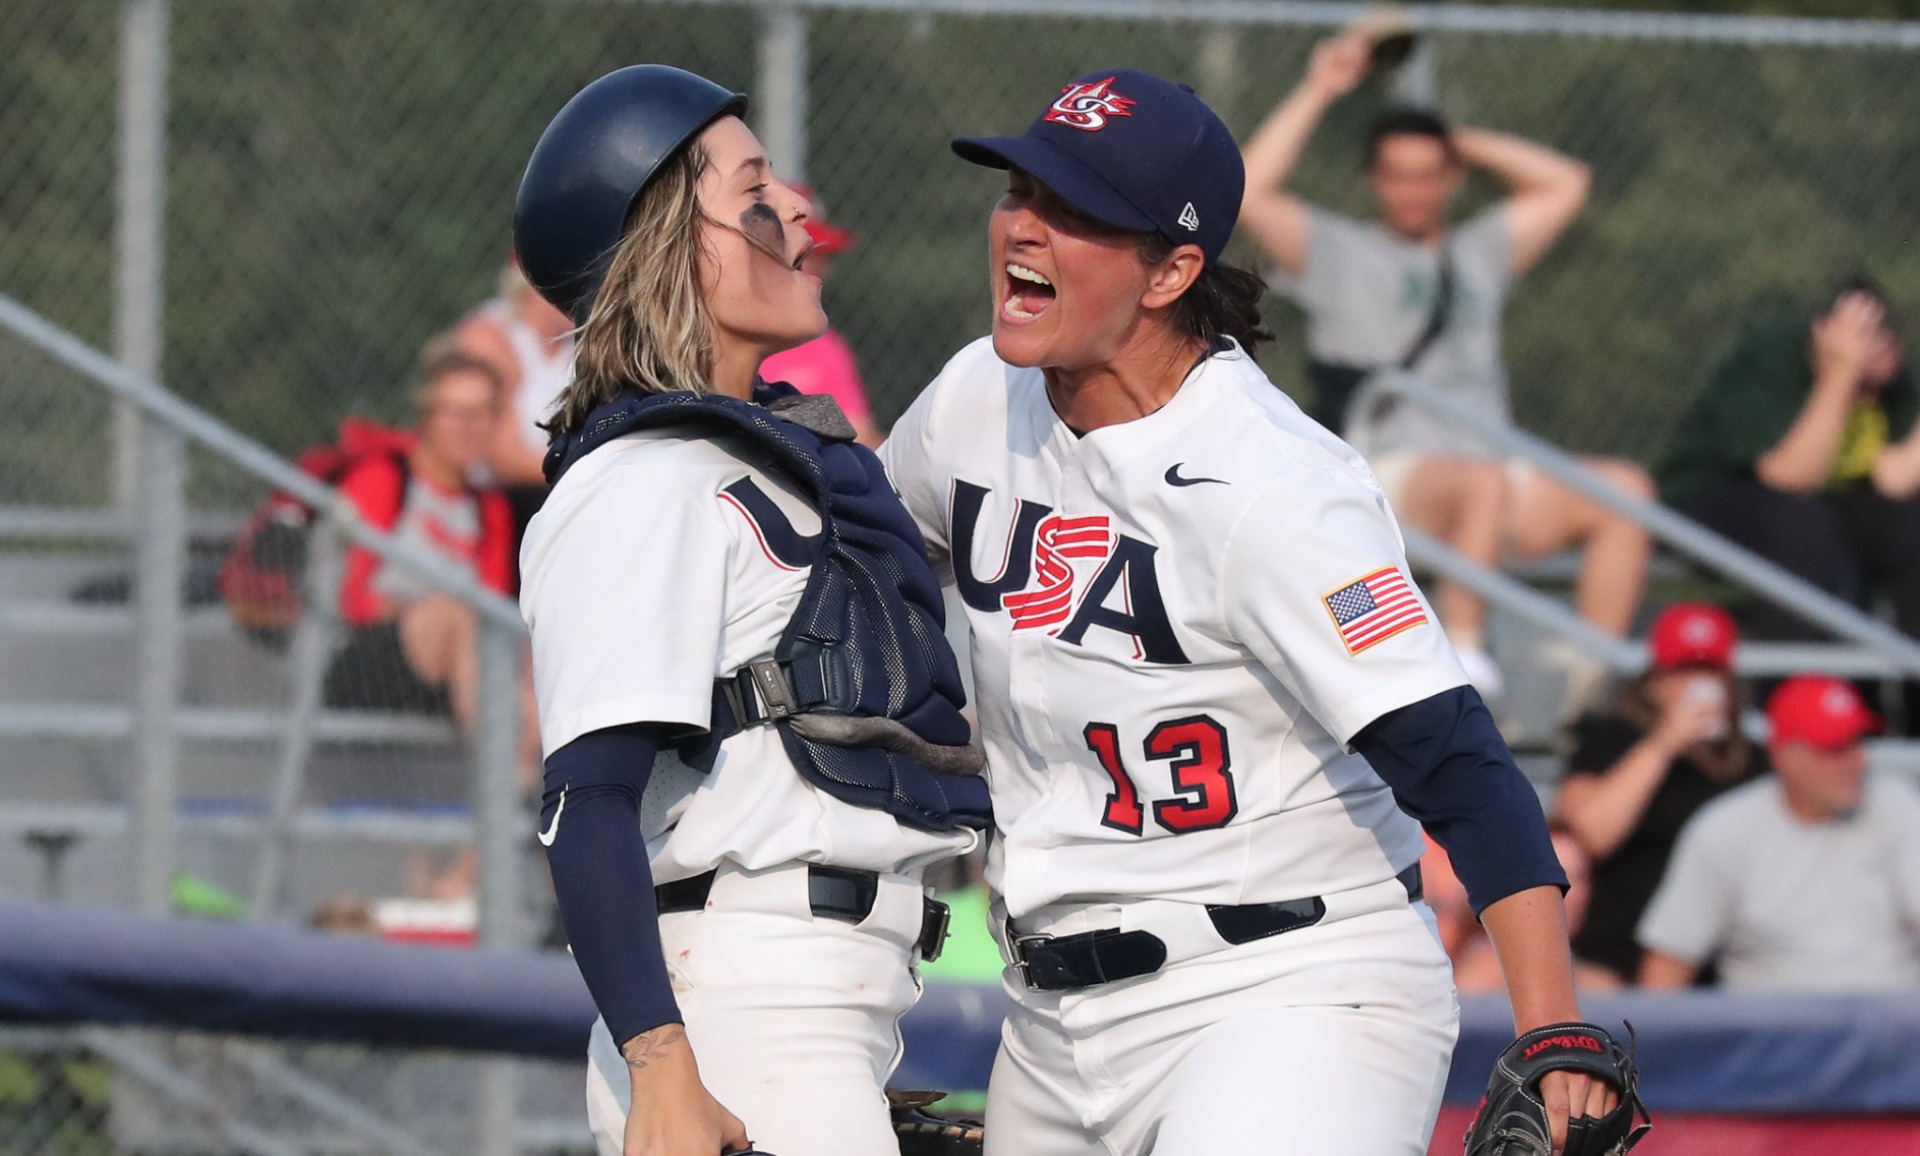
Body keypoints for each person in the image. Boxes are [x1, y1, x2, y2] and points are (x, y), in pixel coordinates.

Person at [881, 67, 1618, 1156]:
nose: (1024, 227)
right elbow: (857, 579)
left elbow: (1461, 763)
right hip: (1050, 1018)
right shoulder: (972, 399)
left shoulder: (1275, 486)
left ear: (1172, 270)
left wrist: (1553, 1028)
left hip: (1291, 985)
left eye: (1073, 210)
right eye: (1019, 191)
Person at [510, 65, 990, 1156]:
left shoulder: (780, 458)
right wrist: (662, 1070)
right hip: (738, 1004)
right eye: (756, 192)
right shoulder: (640, 481)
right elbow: (586, 803)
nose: (799, 209)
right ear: (673, 247)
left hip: (831, 1001)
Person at [1239, 23, 1651, 694]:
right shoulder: (1338, 250)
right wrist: (1322, 87)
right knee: (1479, 483)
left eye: (1429, 174)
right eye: (1398, 175)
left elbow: (1566, 183)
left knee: (1625, 492)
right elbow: (1248, 190)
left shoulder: (1478, 252)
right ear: (1373, 181)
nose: (1414, 190)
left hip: (1491, 479)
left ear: (1453, 177)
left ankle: (1589, 693)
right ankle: (1465, 660)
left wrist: (1453, 137)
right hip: (1389, 477)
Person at [1659, 279, 1920, 651]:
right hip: (1714, 498)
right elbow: (1789, 476)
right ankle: (1794, 676)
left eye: (1889, 336)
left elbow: (1894, 481)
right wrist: (1841, 375)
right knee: (1802, 524)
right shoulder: (1778, 356)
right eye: (1868, 335)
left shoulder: (1892, 387)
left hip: (1821, 509)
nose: (1884, 348)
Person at [1638, 675, 1920, 990]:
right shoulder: (1727, 828)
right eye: (1834, 748)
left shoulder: (1898, 803)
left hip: (1892, 1015)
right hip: (1774, 1018)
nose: (1856, 760)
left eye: (1857, 742)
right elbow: (1669, 964)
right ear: (1783, 755)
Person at [1552, 602, 1763, 984]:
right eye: (1683, 671)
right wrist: (1666, 741)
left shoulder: (1754, 762)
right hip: (1616, 957)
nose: (1698, 684)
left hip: (1727, 964)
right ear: (1655, 680)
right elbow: (1588, 835)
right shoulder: (1610, 739)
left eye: (1710, 671)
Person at [322, 343, 517, 733]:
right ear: (426, 416)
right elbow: (344, 597)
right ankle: (508, 769)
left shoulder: (491, 508)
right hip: (361, 657)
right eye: (456, 413)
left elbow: (493, 604)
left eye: (483, 414)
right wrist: (414, 610)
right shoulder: (385, 478)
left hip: (455, 664)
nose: (469, 428)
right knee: (456, 616)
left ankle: (525, 767)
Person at [451, 258, 576, 552]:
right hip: (499, 502)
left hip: (558, 494)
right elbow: (505, 460)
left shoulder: (577, 347)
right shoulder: (494, 334)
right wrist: (589, 466)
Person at [757, 184, 885, 447]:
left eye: (822, 256)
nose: (820, 269)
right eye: (804, 254)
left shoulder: (822, 345)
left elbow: (859, 439)